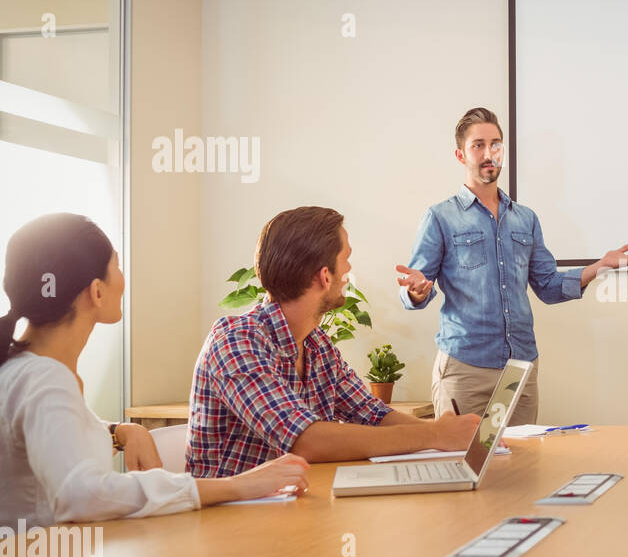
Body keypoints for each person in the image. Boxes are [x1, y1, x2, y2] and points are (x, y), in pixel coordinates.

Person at [0, 213, 309, 526]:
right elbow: (81, 494)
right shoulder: (46, 379)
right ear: (96, 291)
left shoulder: (23, 370)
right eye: (117, 266)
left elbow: (57, 437)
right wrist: (237, 486)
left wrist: (120, 431)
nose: (123, 277)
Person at [396, 107, 628, 424]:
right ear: (460, 155)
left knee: (519, 467)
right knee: (462, 466)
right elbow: (414, 289)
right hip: (465, 369)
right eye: (478, 145)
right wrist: (417, 292)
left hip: (518, 369)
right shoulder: (440, 217)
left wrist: (601, 265)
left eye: (496, 143)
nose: (489, 152)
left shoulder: (525, 219)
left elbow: (549, 287)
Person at [188, 206, 479, 478]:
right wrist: (435, 436)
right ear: (324, 276)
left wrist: (450, 433)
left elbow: (373, 414)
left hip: (295, 511)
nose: (349, 273)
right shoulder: (236, 341)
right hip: (232, 522)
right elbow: (304, 440)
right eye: (346, 259)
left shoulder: (317, 345)